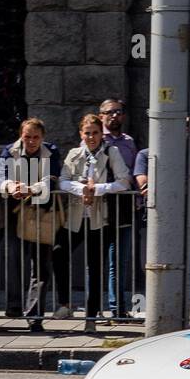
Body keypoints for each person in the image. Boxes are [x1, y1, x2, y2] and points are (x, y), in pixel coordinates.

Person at [58, 113, 131, 330]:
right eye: (87, 133)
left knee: (94, 266)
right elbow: (62, 181)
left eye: (95, 133)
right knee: (59, 251)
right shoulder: (74, 153)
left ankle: (91, 318)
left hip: (99, 218)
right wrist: (82, 189)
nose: (91, 137)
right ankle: (65, 302)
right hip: (75, 216)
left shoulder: (112, 152)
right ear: (81, 134)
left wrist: (97, 189)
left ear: (101, 134)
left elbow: (124, 182)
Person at [0, 118, 63, 332]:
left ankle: (35, 316)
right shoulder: (9, 151)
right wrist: (10, 186)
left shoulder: (51, 151)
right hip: (15, 212)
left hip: (42, 213)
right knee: (13, 260)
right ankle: (14, 307)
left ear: (42, 137)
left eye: (36, 137)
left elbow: (52, 179)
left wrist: (31, 189)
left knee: (41, 267)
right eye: (27, 137)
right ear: (21, 135)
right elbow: (0, 177)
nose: (32, 141)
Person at [98, 98, 140, 319]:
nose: (114, 116)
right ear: (101, 115)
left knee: (120, 259)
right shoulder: (95, 137)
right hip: (99, 205)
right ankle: (94, 308)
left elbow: (133, 173)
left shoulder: (128, 142)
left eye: (118, 112)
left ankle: (117, 308)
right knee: (96, 260)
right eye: (110, 112)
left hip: (124, 205)